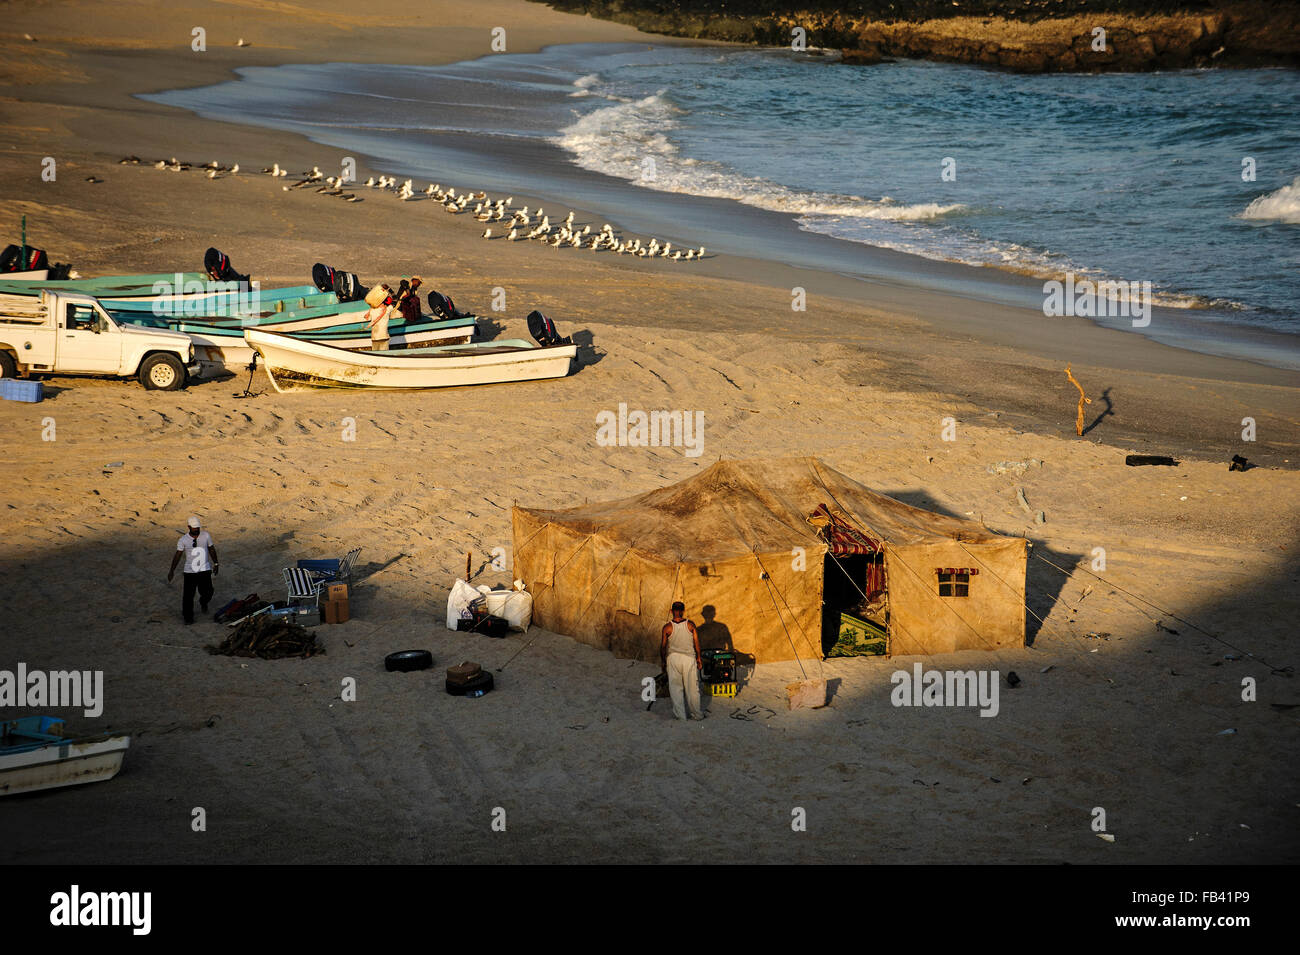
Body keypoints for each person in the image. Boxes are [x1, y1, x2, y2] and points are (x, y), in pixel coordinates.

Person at [167, 515, 219, 625]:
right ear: (189, 527)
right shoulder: (183, 540)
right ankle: (188, 618)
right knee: (188, 596)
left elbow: (211, 549)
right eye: (194, 528)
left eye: (198, 528)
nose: (196, 530)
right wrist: (172, 570)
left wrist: (216, 563)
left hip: (205, 569)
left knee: (208, 592)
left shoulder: (206, 535)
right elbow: (178, 555)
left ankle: (203, 602)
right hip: (190, 572)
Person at [660, 601, 703, 721]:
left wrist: (663, 662)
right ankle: (697, 715)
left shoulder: (667, 627)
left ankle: (681, 716)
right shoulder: (691, 625)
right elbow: (696, 643)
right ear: (683, 611)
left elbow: (663, 647)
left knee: (675, 688)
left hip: (673, 659)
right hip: (689, 659)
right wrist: (699, 658)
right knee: (692, 688)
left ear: (671, 611)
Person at [363, 283, 395, 350]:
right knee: (385, 355)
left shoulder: (372, 310)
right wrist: (389, 289)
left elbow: (370, 309)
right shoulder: (387, 310)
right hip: (383, 337)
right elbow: (395, 301)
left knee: (375, 355)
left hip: (374, 337)